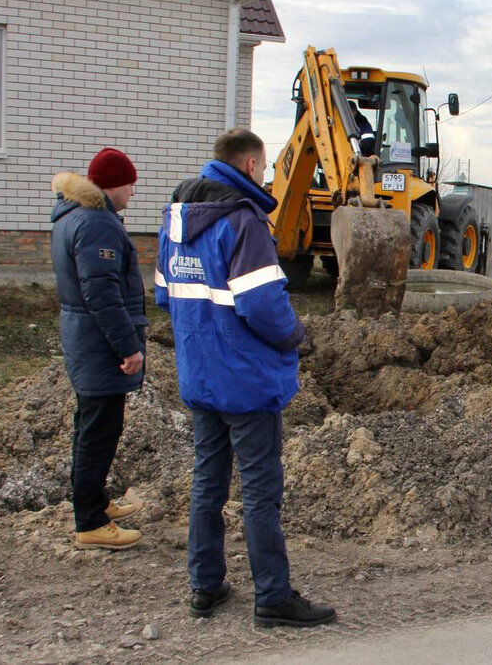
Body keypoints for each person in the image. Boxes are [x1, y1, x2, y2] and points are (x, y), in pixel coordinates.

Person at [154, 128, 336, 627]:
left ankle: (204, 586)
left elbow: (165, 296)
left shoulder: (175, 220)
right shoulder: (243, 220)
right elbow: (262, 306)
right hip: (246, 381)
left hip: (199, 375)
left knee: (207, 483)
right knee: (260, 491)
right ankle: (273, 596)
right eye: (264, 166)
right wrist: (294, 335)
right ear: (252, 166)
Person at [50, 147, 147, 550]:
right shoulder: (97, 224)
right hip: (99, 343)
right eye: (130, 185)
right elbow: (102, 294)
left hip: (84, 337)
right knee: (99, 432)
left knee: (91, 427)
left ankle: (94, 502)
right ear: (113, 184)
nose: (132, 193)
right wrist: (128, 347)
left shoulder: (72, 216)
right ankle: (90, 522)